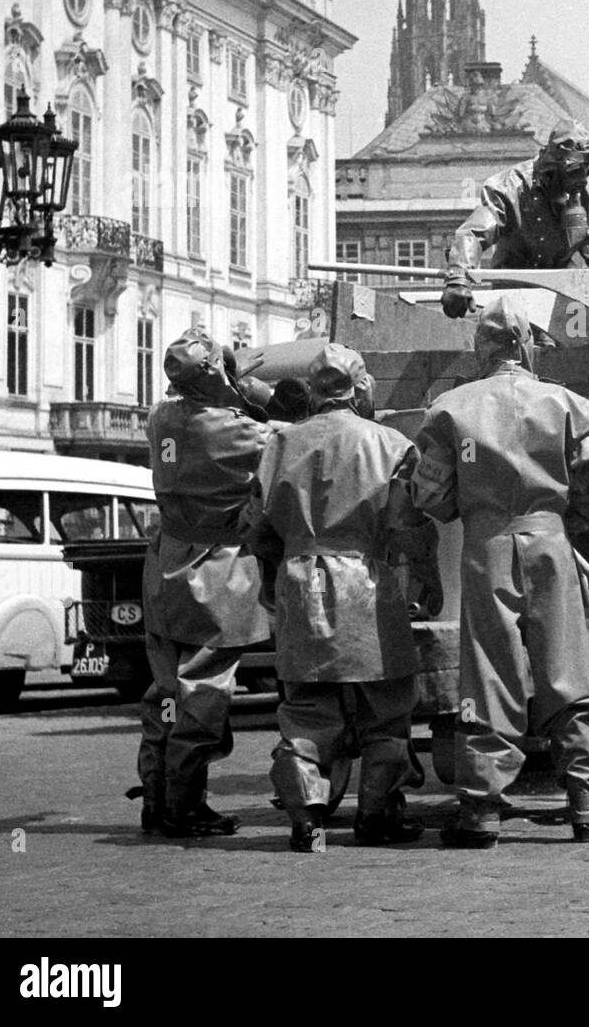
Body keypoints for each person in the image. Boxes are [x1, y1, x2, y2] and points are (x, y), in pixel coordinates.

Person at [410, 297, 589, 847]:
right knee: (570, 663)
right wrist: (565, 517)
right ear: (529, 346)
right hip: (549, 541)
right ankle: (585, 803)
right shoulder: (569, 404)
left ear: (480, 348)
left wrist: (469, 508)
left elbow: (429, 493)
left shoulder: (448, 408)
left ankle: (482, 809)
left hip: (486, 548)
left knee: (487, 671)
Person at [245, 343, 440, 852]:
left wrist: (276, 580)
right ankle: (378, 814)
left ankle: (306, 817)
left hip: (298, 581)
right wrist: (427, 577)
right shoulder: (392, 445)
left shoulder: (279, 445)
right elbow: (408, 526)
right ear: (361, 388)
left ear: (311, 390)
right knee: (387, 709)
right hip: (369, 588)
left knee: (307, 710)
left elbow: (259, 529)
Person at [136, 330, 271, 837]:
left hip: (165, 565)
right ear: (215, 374)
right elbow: (293, 436)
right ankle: (184, 805)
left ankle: (156, 796)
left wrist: (226, 380)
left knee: (166, 691)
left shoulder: (161, 420)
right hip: (211, 575)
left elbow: (192, 409)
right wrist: (246, 392)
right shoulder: (239, 432)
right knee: (204, 691)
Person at [441, 120, 589, 318]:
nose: (582, 181)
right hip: (514, 291)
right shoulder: (509, 186)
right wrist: (458, 277)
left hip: (562, 290)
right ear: (552, 168)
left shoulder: (582, 186)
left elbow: (586, 227)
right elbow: (473, 232)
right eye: (575, 173)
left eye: (587, 172)